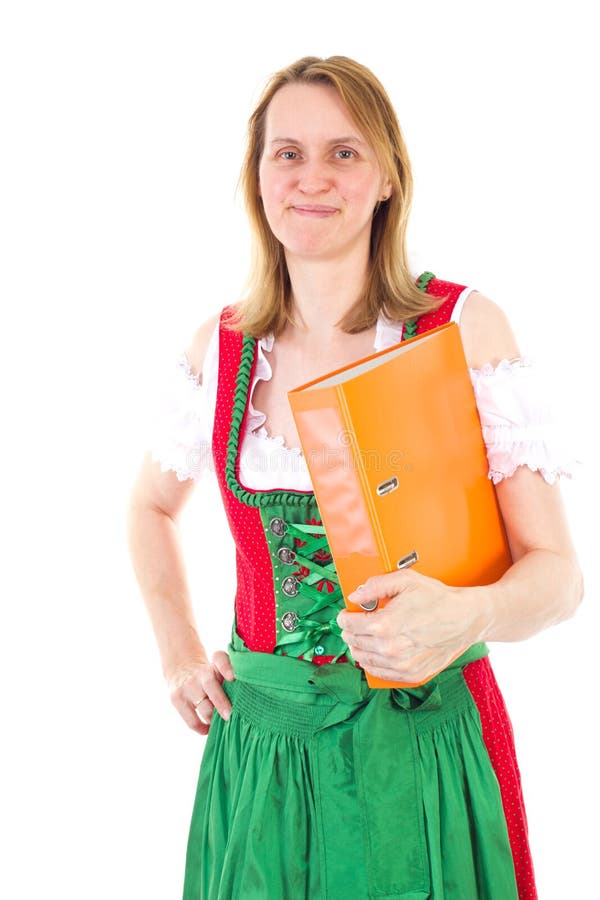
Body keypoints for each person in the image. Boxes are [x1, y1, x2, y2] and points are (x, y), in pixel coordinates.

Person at [127, 55, 582, 900]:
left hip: (420, 749)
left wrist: (472, 611)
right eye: (287, 153)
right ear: (258, 176)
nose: (312, 178)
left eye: (344, 152)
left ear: (386, 178)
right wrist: (180, 655)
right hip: (260, 750)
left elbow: (558, 576)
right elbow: (151, 507)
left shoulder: (458, 329)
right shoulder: (220, 349)